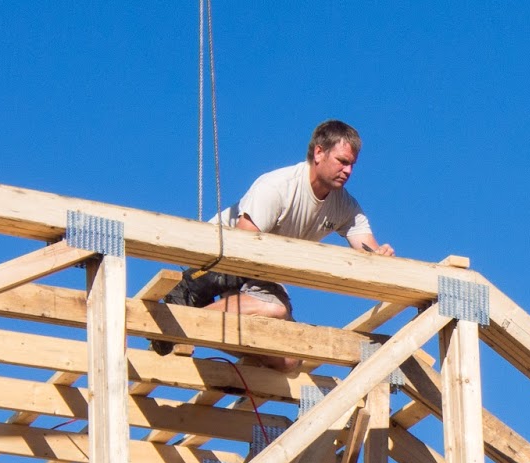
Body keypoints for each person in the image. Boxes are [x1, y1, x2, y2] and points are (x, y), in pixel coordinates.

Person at [152, 120, 394, 370]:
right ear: (319, 152)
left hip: (263, 268)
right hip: (221, 259)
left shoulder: (344, 205)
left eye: (352, 164)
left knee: (290, 360)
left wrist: (380, 256)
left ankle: (192, 327)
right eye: (342, 161)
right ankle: (182, 318)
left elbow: (367, 247)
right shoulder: (279, 187)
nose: (348, 170)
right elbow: (241, 244)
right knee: (274, 308)